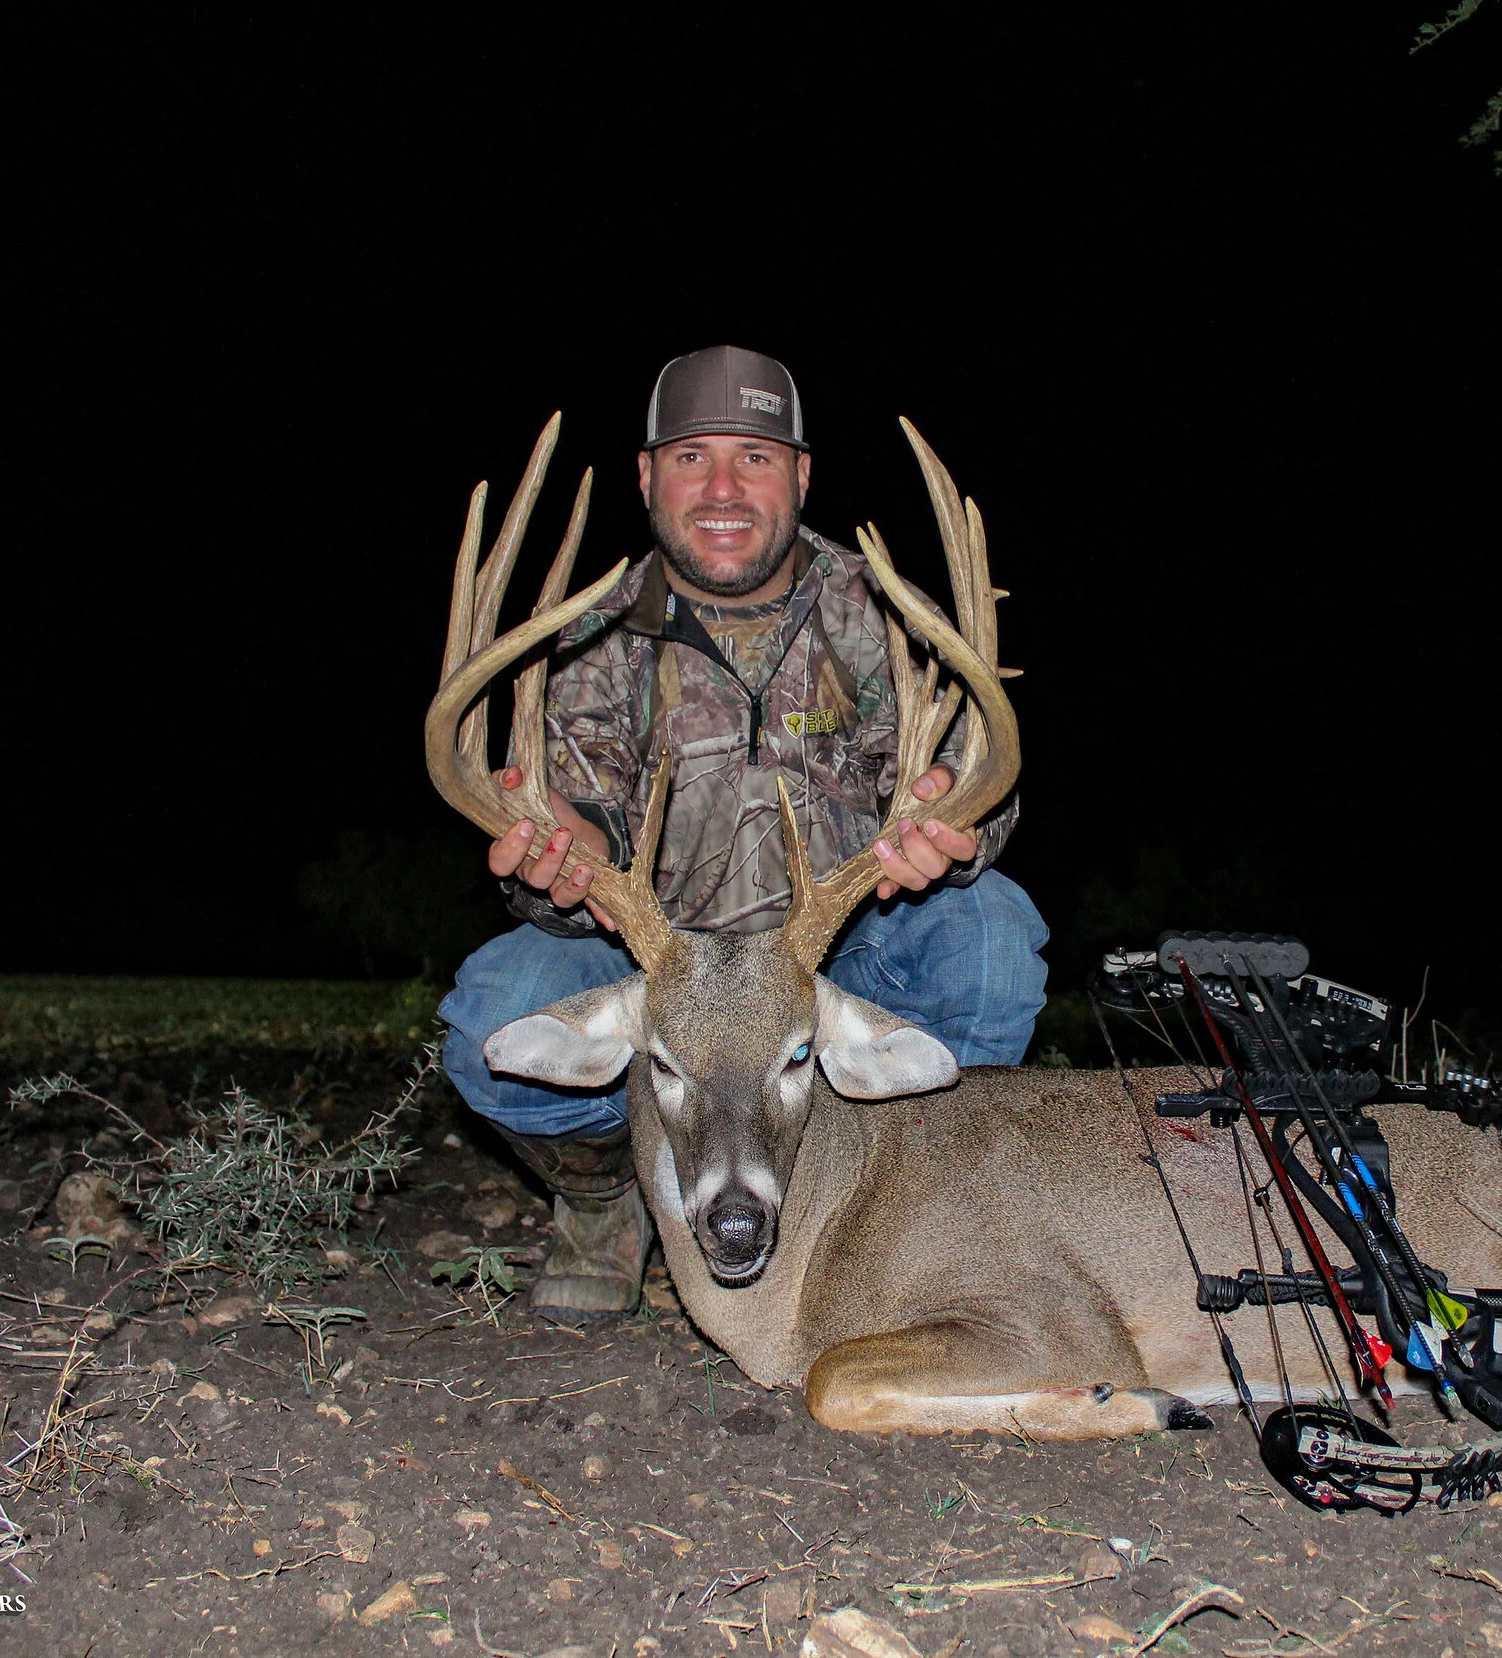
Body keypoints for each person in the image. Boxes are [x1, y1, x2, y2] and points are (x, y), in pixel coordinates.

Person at [439, 345, 1049, 1319]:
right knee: (492, 1018)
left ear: (800, 474)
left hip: (835, 953)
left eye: (755, 457)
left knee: (990, 937)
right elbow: (566, 832)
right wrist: (552, 857)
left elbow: (972, 772)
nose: (722, 487)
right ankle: (606, 1196)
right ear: (648, 475)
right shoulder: (580, 637)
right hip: (666, 966)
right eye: (691, 457)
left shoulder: (881, 610)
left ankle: (923, 1200)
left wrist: (958, 816)